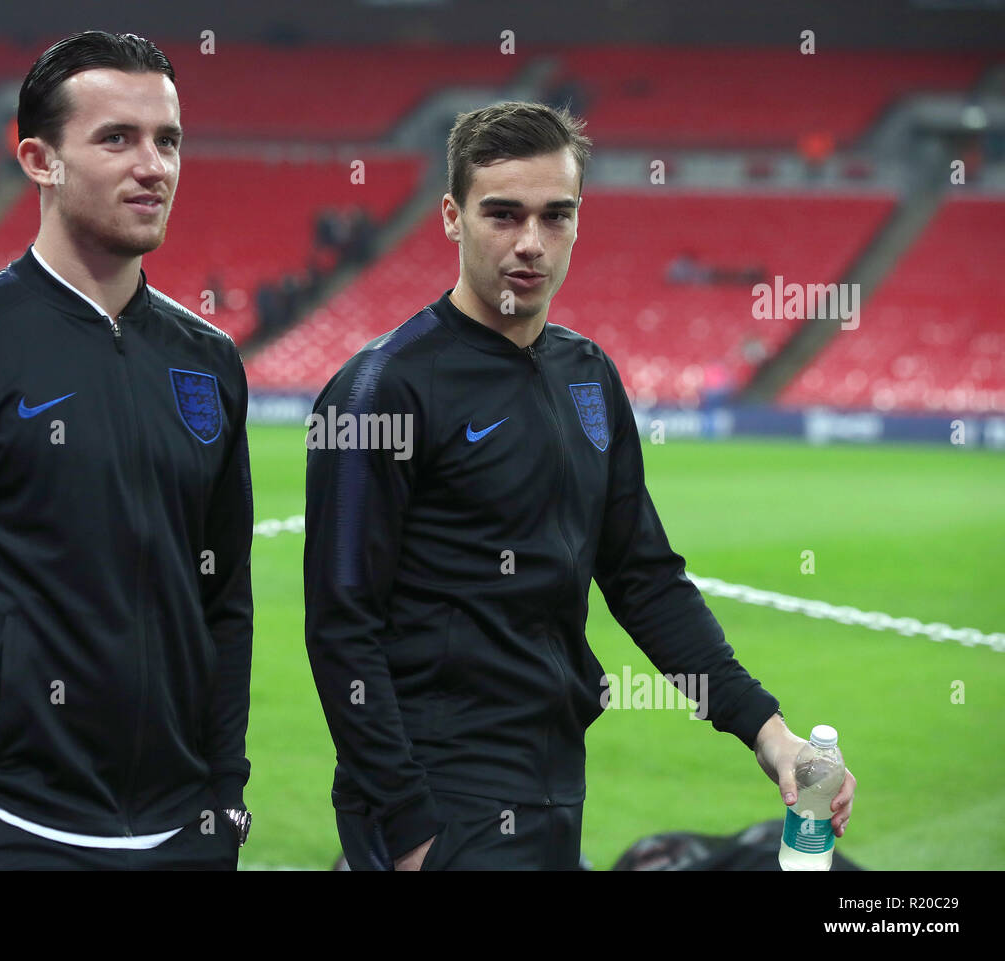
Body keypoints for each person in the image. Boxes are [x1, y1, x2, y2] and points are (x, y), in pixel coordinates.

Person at [303, 101, 855, 870]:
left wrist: (769, 732)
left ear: (577, 221)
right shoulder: (383, 389)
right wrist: (409, 827)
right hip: (438, 792)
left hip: (554, 774)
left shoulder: (588, 374)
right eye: (503, 214)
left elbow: (643, 578)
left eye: (554, 215)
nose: (530, 243)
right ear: (452, 216)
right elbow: (341, 624)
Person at [0, 31, 253, 871]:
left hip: (181, 834)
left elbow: (224, 599)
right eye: (117, 138)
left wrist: (224, 795)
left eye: (167, 139)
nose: (154, 165)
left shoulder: (208, 360)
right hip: (10, 826)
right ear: (39, 160)